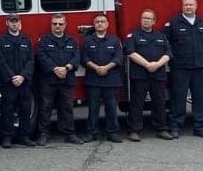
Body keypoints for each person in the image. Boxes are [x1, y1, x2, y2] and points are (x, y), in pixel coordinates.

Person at [164, 0, 203, 139]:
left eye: (191, 5)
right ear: (182, 6)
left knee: (200, 98)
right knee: (178, 98)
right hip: (180, 67)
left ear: (196, 6)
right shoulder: (174, 23)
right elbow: (166, 44)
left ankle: (200, 127)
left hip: (199, 66)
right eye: (186, 5)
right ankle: (175, 127)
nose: (188, 7)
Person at [124, 9, 173, 142]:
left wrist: (157, 65)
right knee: (137, 103)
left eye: (149, 18)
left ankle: (161, 129)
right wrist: (147, 65)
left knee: (159, 102)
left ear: (154, 21)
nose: (146, 20)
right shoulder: (133, 35)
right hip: (140, 75)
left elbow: (168, 53)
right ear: (141, 20)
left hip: (158, 74)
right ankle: (134, 130)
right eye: (144, 18)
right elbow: (131, 52)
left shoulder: (161, 36)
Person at [35, 13, 82, 145]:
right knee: (45, 107)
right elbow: (41, 57)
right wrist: (55, 69)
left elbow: (76, 57)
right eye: (55, 24)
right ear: (51, 25)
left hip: (67, 79)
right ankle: (43, 134)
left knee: (67, 108)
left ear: (65, 25)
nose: (57, 26)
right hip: (48, 80)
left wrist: (66, 68)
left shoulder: (72, 41)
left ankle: (70, 134)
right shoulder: (44, 40)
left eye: (60, 24)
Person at [0, 13, 35, 148]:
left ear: (20, 23)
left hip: (24, 82)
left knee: (25, 110)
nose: (14, 24)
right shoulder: (2, 40)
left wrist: (22, 76)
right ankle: (7, 137)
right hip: (8, 83)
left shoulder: (26, 40)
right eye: (11, 21)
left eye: (16, 21)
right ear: (7, 23)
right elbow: (1, 62)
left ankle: (24, 136)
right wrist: (12, 77)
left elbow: (31, 60)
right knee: (7, 111)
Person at [81, 14, 123, 143]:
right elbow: (84, 58)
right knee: (93, 108)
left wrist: (106, 68)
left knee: (111, 107)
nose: (100, 24)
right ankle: (92, 133)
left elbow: (118, 58)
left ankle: (113, 132)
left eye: (102, 21)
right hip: (93, 79)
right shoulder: (87, 41)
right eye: (97, 22)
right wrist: (96, 68)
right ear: (94, 24)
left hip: (110, 79)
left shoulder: (115, 40)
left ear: (107, 24)